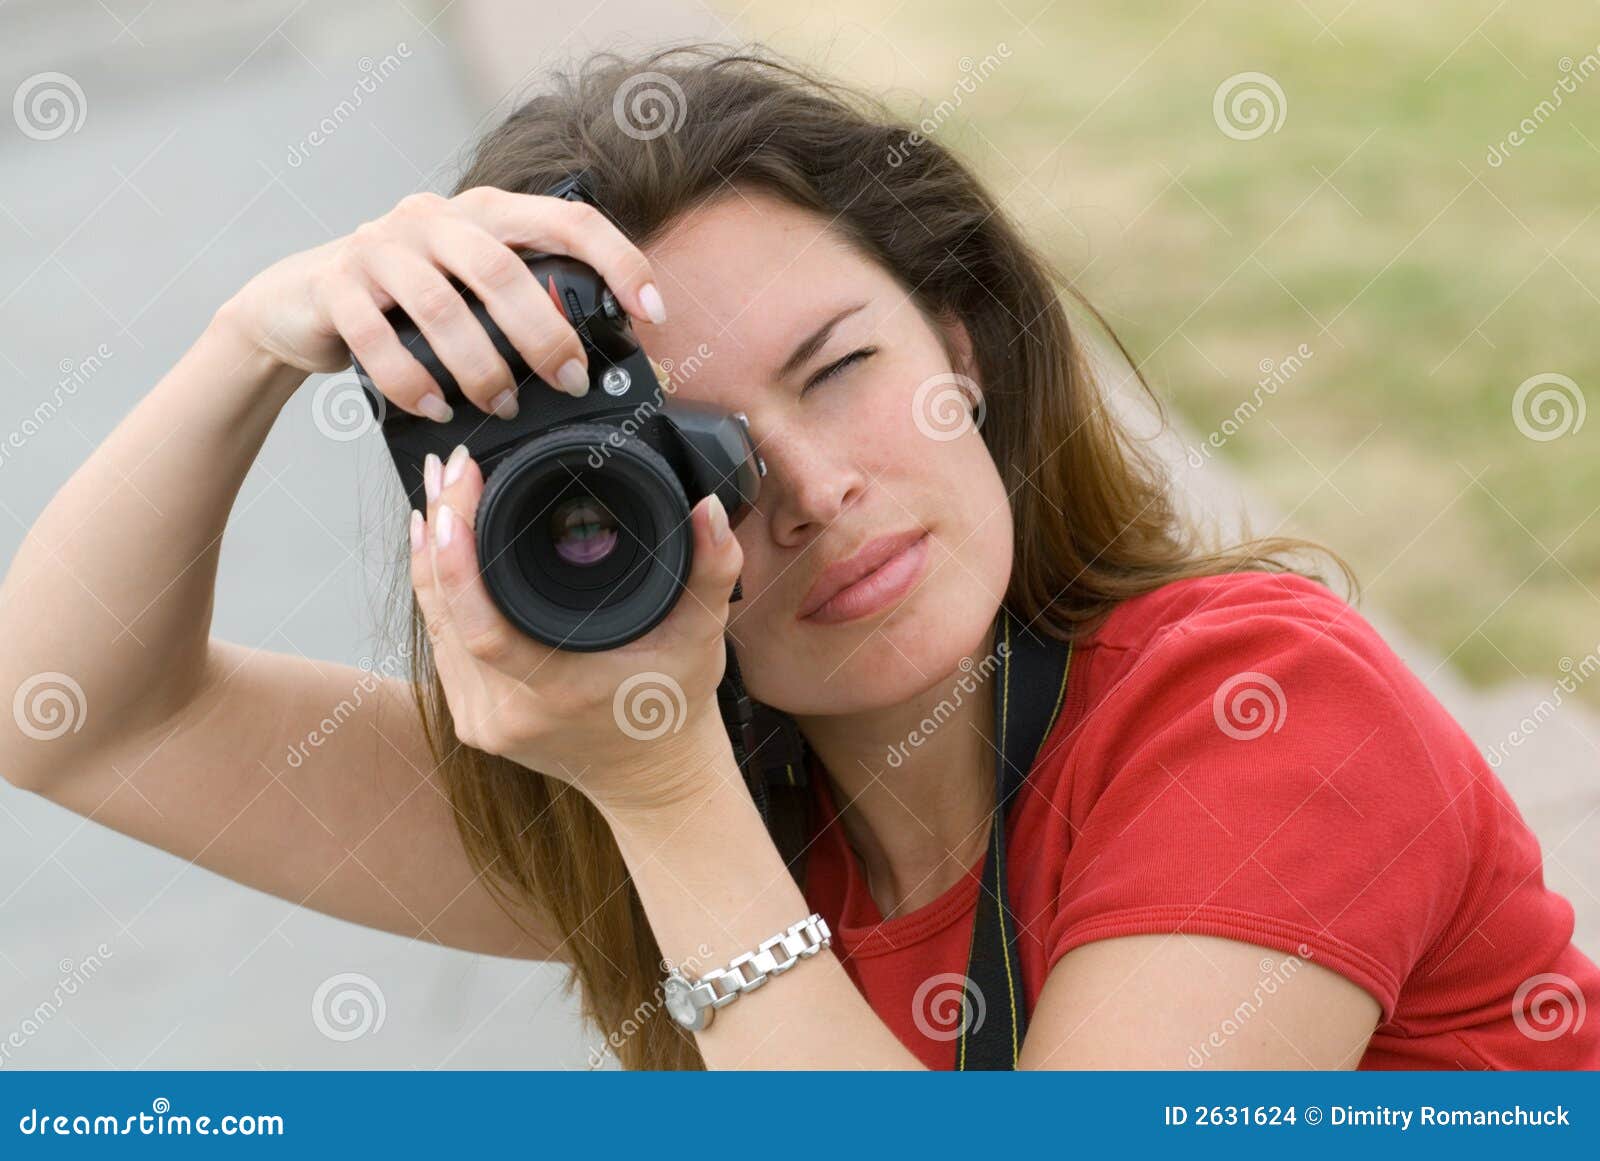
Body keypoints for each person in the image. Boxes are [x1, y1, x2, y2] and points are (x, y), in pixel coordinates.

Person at [3, 43, 1596, 1071]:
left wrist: (657, 789)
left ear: (962, 344)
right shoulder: (731, 799)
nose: (817, 488)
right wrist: (258, 341)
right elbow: (69, 710)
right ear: (562, 531)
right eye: (702, 456)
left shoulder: (1260, 709)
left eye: (839, 367)